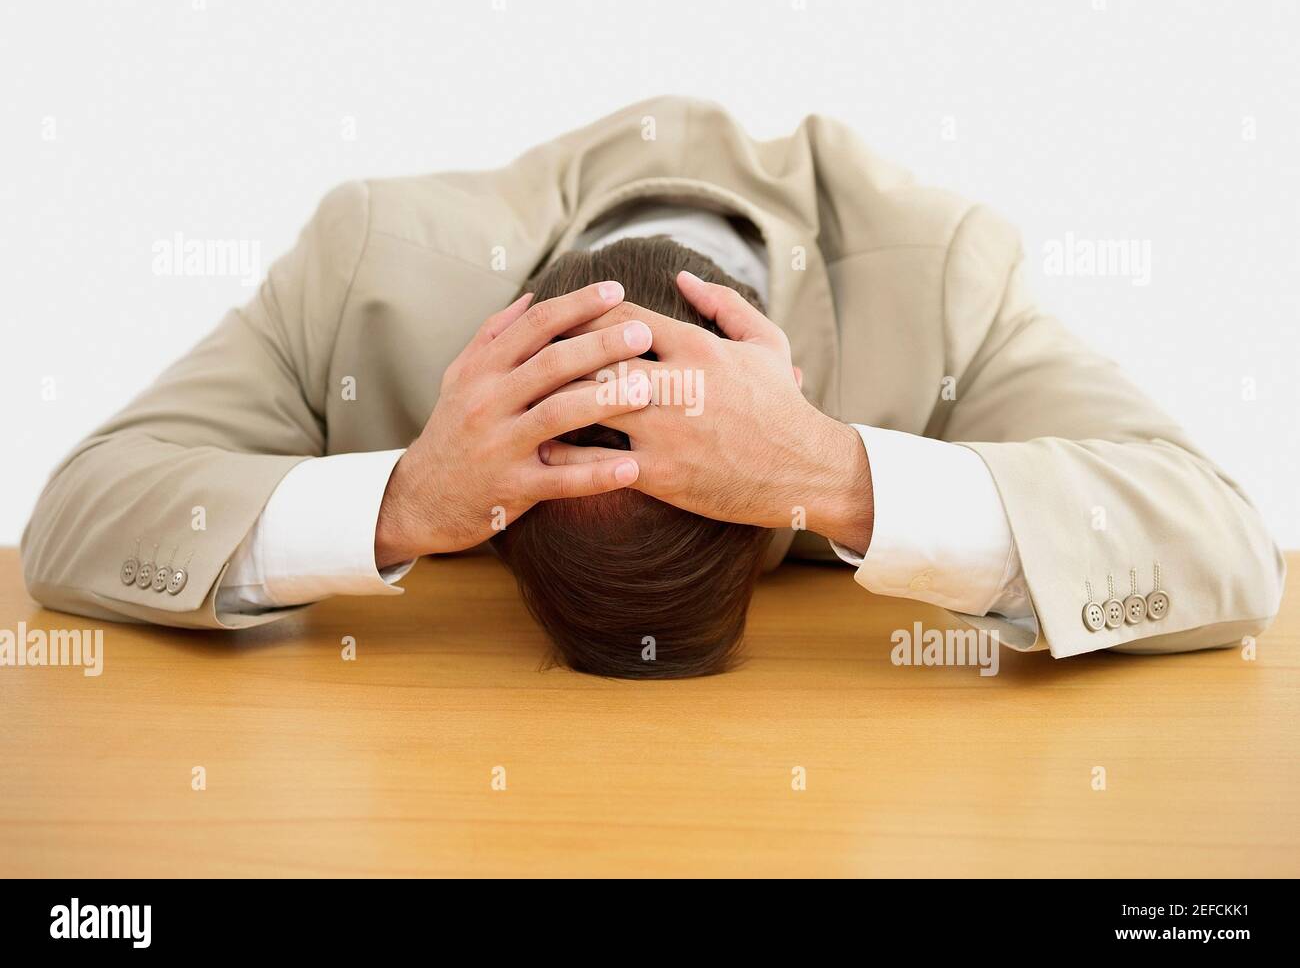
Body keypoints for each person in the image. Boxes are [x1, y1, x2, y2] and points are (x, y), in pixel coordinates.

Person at [21, 96, 1285, 677]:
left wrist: (834, 475)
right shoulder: (370, 275)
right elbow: (84, 511)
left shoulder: (934, 278)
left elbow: (1227, 545)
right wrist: (404, 497)